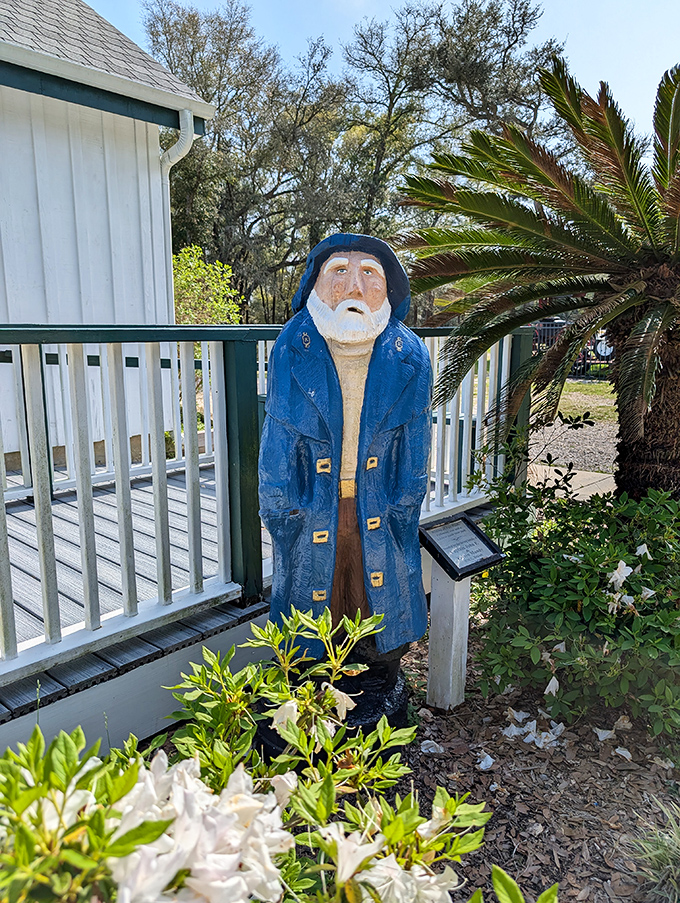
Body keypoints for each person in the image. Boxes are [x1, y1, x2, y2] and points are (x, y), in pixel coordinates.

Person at [258, 233, 432, 664]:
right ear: (314, 283)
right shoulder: (291, 349)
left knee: (376, 602)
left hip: (381, 504)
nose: (354, 286)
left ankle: (380, 676)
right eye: (339, 270)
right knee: (314, 605)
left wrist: (403, 506)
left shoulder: (410, 356)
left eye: (369, 273)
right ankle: (311, 684)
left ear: (389, 287)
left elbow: (415, 446)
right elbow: (277, 443)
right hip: (314, 506)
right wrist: (282, 512)